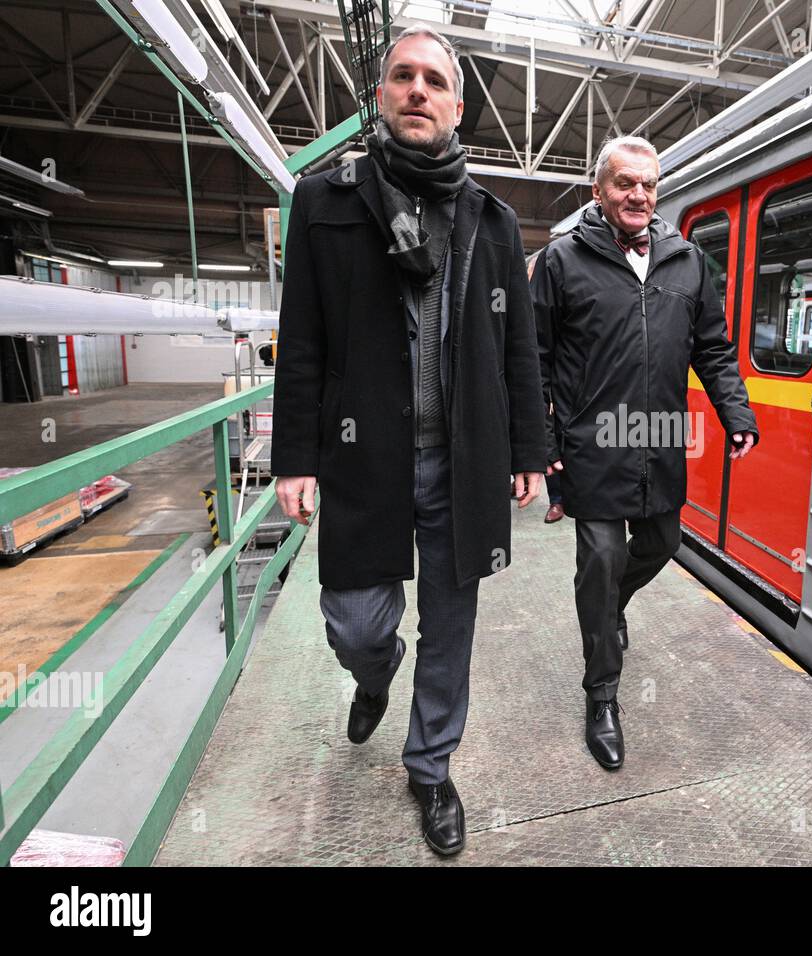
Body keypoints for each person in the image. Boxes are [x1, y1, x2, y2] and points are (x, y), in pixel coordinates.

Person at [270, 23, 546, 856]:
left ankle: (431, 768)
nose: (418, 90)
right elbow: (304, 338)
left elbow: (518, 348)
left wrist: (529, 449)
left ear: (457, 107)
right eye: (403, 77)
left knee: (452, 624)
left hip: (463, 458)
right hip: (363, 456)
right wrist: (294, 457)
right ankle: (374, 671)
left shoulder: (492, 221)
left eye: (434, 80)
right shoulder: (326, 202)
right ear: (381, 95)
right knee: (355, 623)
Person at [529, 135, 758, 770]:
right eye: (624, 183)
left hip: (657, 440)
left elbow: (712, 348)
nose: (637, 195)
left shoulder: (687, 262)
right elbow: (533, 361)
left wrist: (735, 413)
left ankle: (609, 609)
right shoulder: (561, 261)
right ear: (598, 191)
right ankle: (601, 694)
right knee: (602, 556)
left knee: (662, 543)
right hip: (592, 443)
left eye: (648, 185)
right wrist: (544, 444)